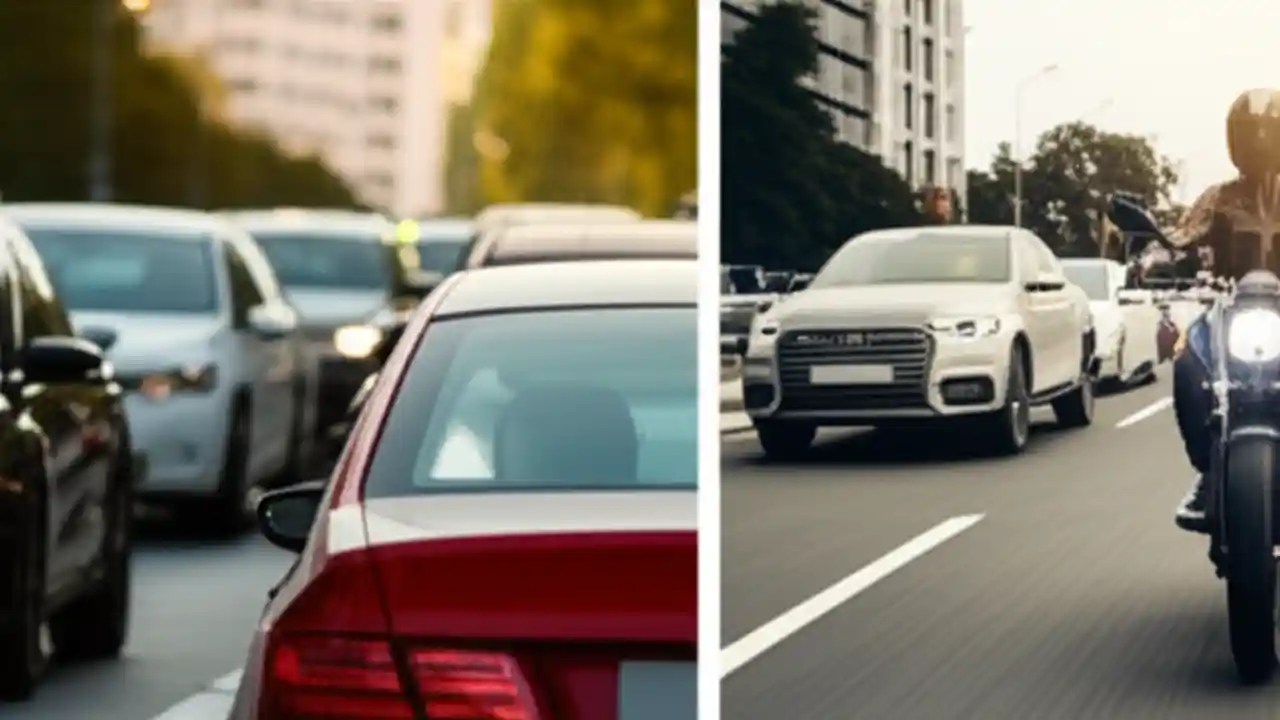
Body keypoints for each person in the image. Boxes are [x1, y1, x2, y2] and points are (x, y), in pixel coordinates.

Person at [1169, 88, 1280, 532]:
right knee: (1187, 361)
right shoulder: (1217, 197)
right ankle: (1209, 471)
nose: (1257, 141)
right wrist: (1156, 254)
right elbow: (1182, 237)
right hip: (1231, 306)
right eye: (1248, 132)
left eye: (1265, 132)